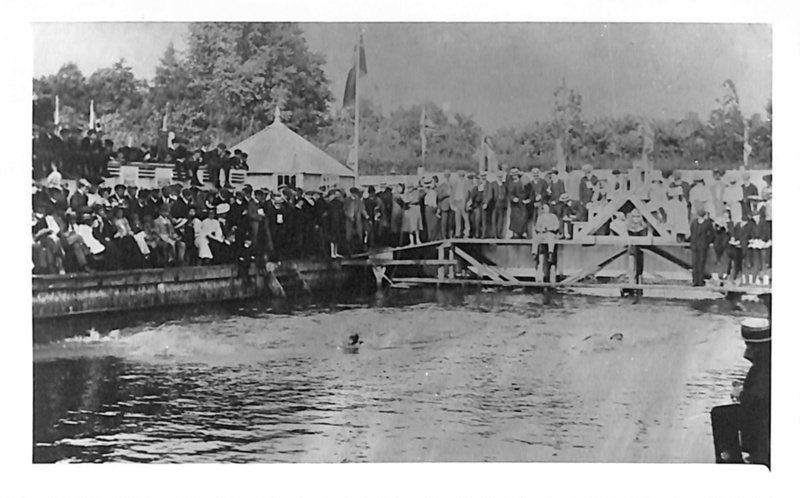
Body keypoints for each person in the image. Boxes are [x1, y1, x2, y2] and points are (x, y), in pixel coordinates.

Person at [711, 317, 770, 468]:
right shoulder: (767, 363)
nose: (746, 353)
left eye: (749, 346)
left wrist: (739, 394)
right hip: (764, 413)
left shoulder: (763, 368)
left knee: (721, 415)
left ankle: (730, 461)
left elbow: (758, 397)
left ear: (758, 347)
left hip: (763, 418)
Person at [688, 206, 714, 286]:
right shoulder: (694, 222)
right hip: (695, 245)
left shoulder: (707, 223)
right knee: (695, 263)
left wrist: (707, 242)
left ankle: (700, 281)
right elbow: (692, 232)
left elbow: (712, 234)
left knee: (701, 263)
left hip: (703, 246)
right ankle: (695, 281)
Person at [507, 168, 529, 239]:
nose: (515, 176)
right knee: (514, 218)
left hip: (522, 202)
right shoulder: (511, 184)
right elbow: (509, 194)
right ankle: (515, 233)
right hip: (515, 204)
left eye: (516, 175)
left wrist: (526, 199)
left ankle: (521, 232)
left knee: (523, 217)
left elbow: (526, 191)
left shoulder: (522, 182)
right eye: (513, 175)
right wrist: (513, 198)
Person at [451, 171, 471, 238]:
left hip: (463, 202)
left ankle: (467, 232)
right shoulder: (455, 184)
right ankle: (458, 233)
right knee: (457, 219)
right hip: (457, 201)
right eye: (460, 177)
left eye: (462, 176)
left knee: (466, 218)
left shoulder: (467, 183)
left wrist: (469, 202)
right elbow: (452, 194)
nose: (461, 178)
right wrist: (453, 204)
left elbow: (470, 193)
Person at [422, 178, 439, 242]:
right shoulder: (428, 192)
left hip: (431, 207)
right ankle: (431, 237)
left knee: (432, 223)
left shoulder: (433, 192)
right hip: (429, 207)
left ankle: (432, 237)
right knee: (430, 224)